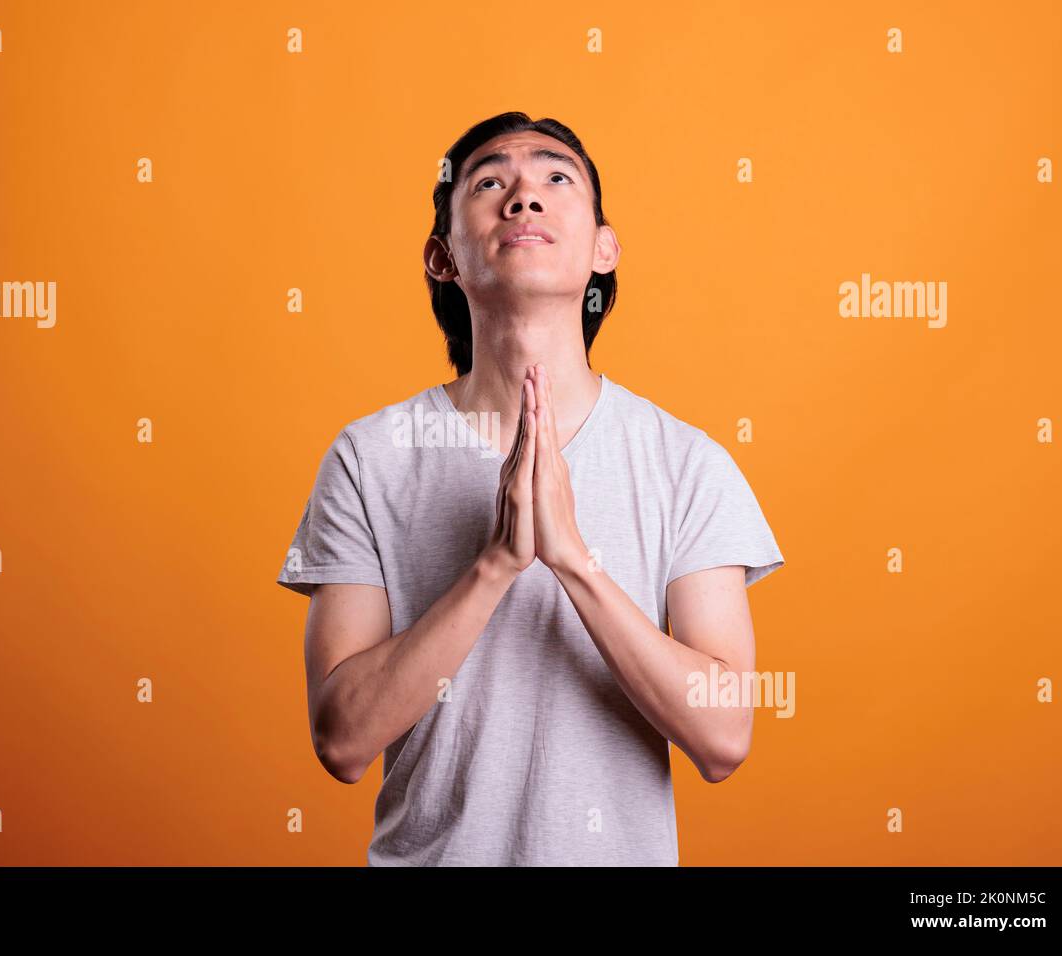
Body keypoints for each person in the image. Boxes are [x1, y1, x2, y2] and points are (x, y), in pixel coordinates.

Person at [276, 111, 785, 866]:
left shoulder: (687, 462)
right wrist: (495, 566)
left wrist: (574, 562)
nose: (524, 196)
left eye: (556, 177)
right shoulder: (369, 457)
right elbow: (343, 740)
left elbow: (724, 736)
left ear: (604, 247)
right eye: (488, 183)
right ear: (442, 256)